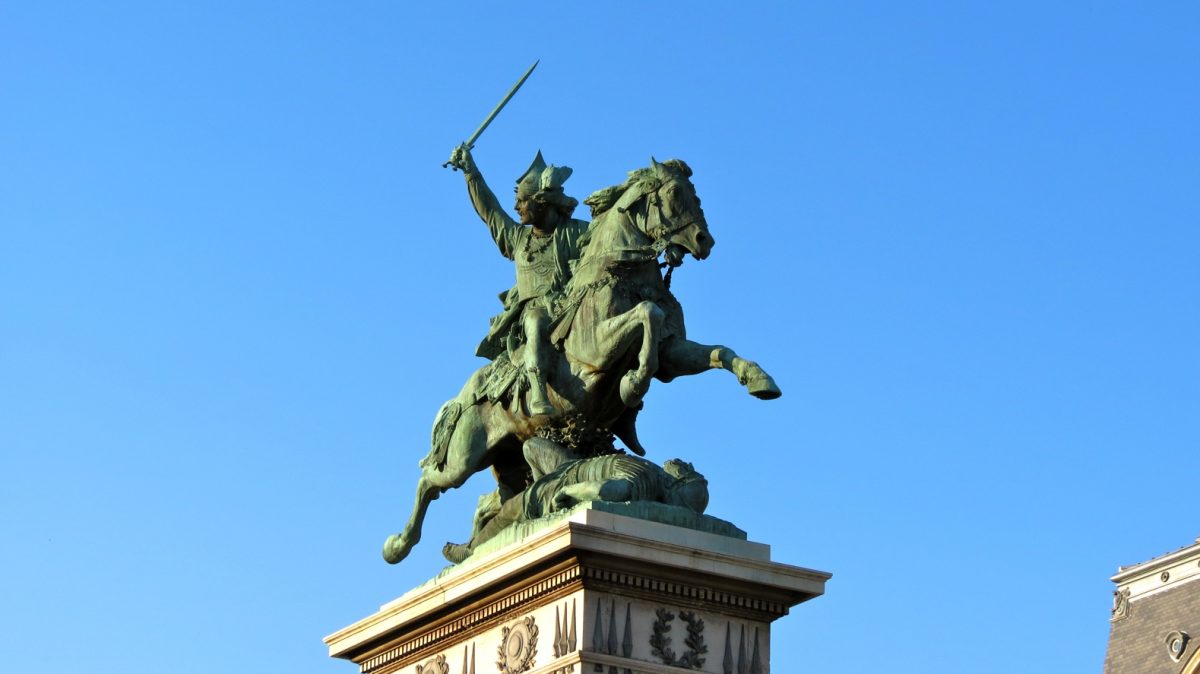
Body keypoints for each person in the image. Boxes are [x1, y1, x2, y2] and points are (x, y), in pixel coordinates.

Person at [447, 145, 589, 416]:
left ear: (542, 201)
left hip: (573, 306)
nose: (516, 207)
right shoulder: (518, 239)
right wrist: (470, 172)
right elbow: (490, 211)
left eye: (523, 201)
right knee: (535, 320)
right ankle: (537, 393)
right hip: (534, 316)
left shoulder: (579, 232)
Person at [442, 438, 709, 562]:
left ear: (675, 487)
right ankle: (533, 495)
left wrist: (569, 493)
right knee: (530, 446)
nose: (683, 465)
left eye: (684, 472)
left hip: (566, 482)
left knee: (511, 510)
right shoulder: (652, 472)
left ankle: (472, 548)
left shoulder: (645, 484)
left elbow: (609, 491)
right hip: (572, 465)